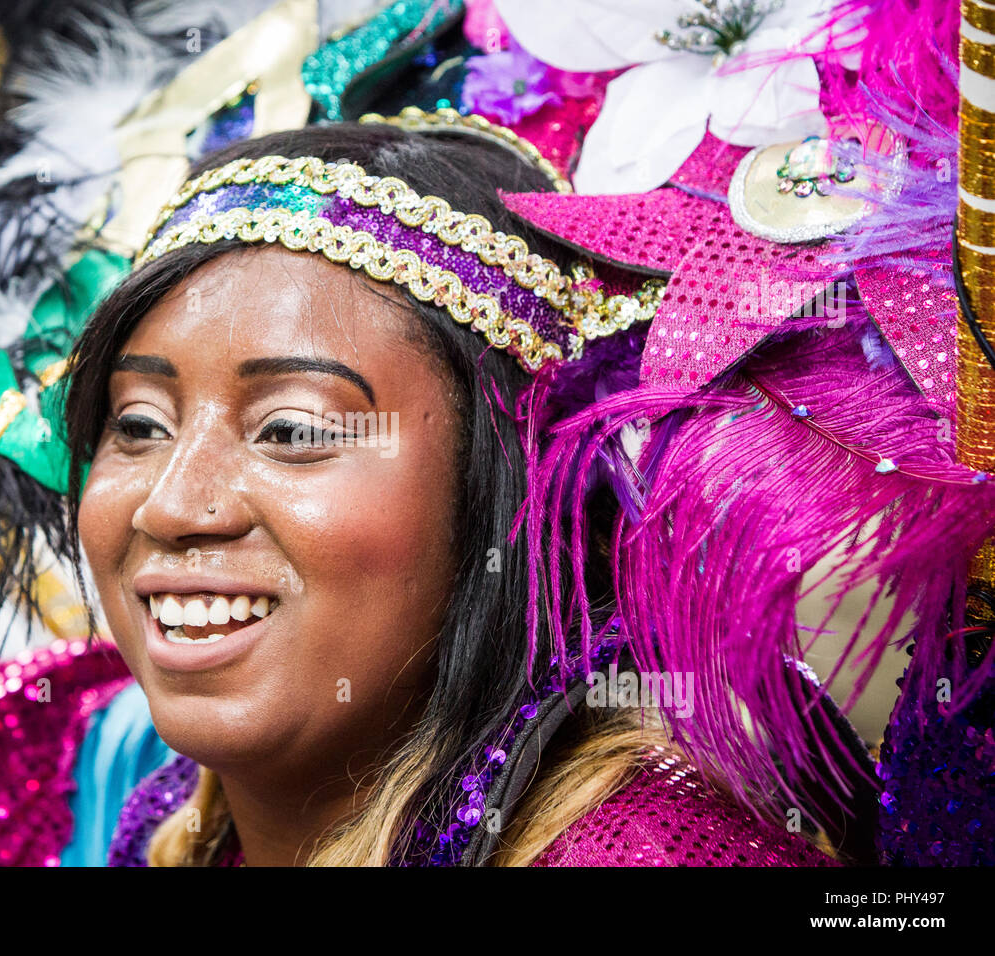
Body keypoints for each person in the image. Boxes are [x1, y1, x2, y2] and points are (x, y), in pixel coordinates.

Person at [60, 121, 844, 866]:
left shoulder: (653, 852)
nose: (168, 506)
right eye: (138, 424)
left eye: (292, 432)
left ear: (513, 488)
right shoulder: (164, 814)